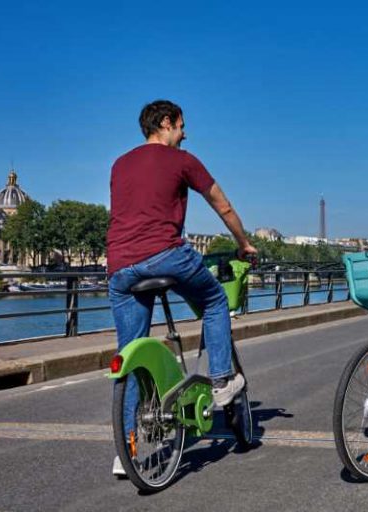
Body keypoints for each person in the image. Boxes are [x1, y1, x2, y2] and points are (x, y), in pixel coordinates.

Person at [107, 100, 257, 475]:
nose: (185, 133)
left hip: (120, 267)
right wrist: (244, 243)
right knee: (215, 301)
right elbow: (221, 205)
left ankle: (126, 450)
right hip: (165, 256)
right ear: (166, 123)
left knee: (130, 360)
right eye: (181, 125)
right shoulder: (183, 160)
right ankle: (222, 380)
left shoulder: (119, 163)